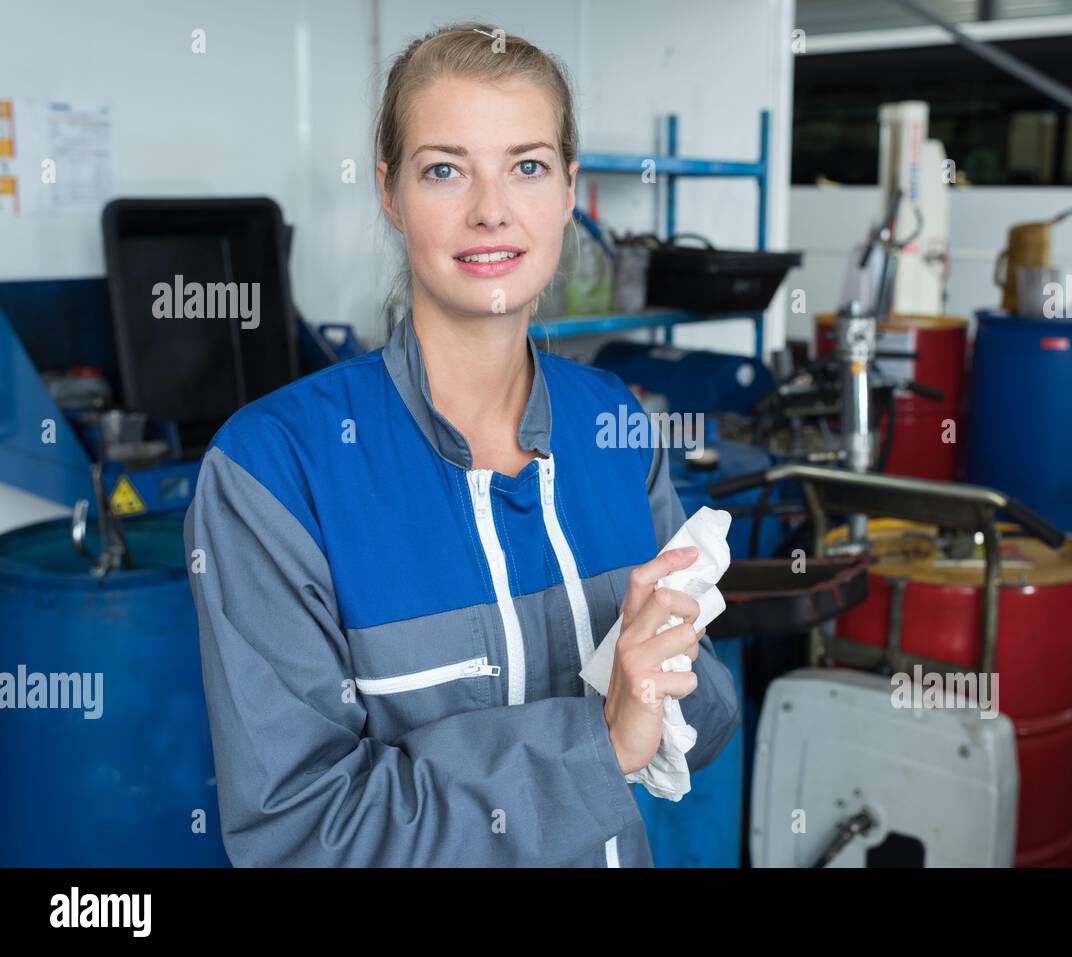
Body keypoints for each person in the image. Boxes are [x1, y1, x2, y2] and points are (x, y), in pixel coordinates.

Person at [183, 22, 741, 867]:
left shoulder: (616, 427)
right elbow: (302, 833)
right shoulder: (272, 471)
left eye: (527, 165)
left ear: (567, 191)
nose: (491, 208)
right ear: (390, 193)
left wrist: (663, 691)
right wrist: (601, 744)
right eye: (444, 169)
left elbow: (704, 720)